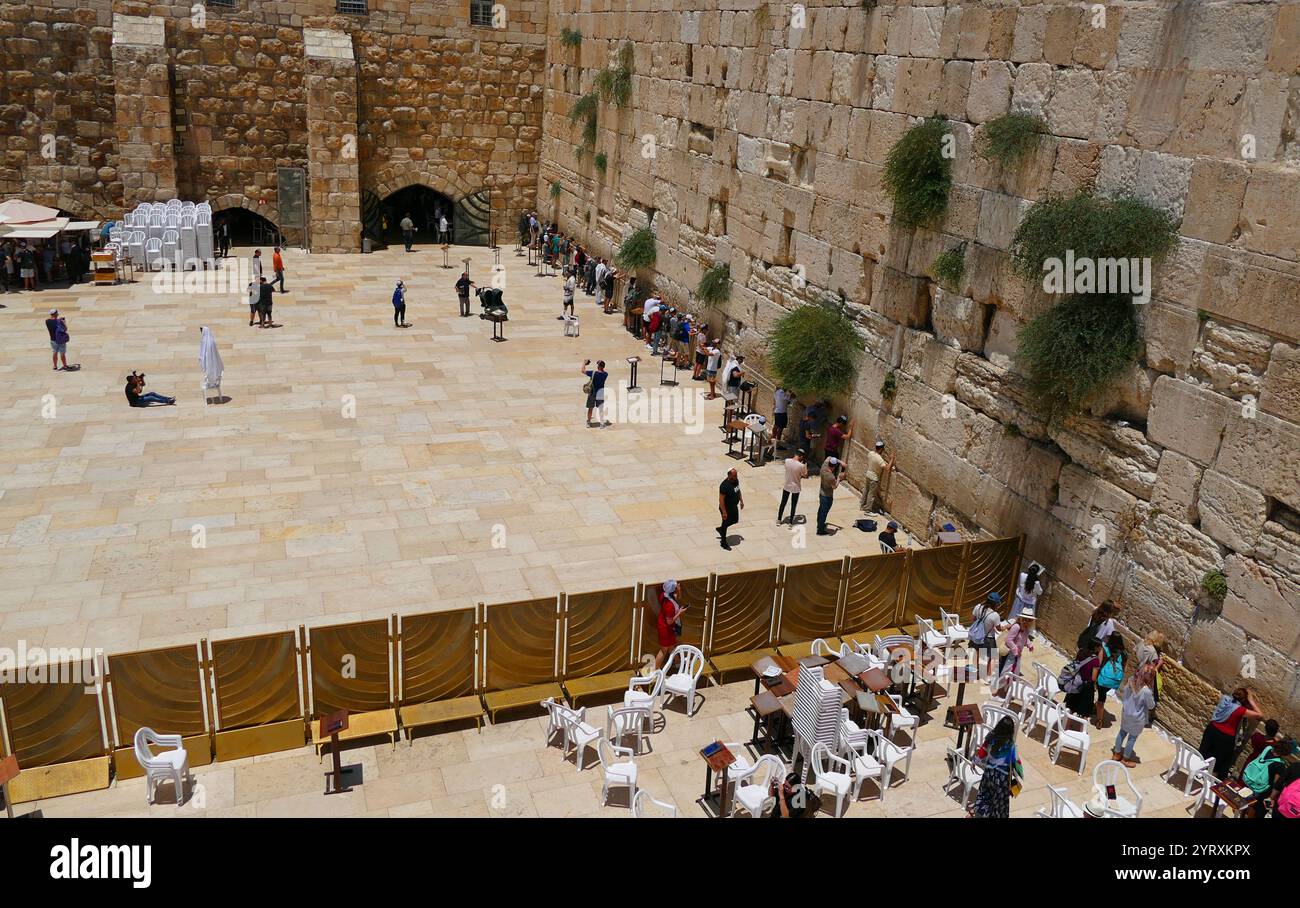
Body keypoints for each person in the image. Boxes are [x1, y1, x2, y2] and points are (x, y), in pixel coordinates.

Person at [1199, 687, 1263, 777]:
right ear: (1244, 700)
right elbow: (1260, 715)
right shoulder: (1241, 710)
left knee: (1205, 752)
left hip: (1211, 729)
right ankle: (1210, 777)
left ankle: (1199, 770)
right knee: (1219, 761)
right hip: (1225, 738)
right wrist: (1251, 700)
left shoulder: (1225, 700)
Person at [970, 716, 1022, 818]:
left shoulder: (991, 737)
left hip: (989, 774)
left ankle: (978, 813)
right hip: (1002, 779)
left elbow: (983, 751)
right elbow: (1017, 764)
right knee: (999, 803)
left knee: (985, 794)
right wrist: (1019, 775)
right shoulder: (1011, 745)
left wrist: (975, 761)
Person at [1112, 665, 1157, 767]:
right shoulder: (1146, 691)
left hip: (1126, 712)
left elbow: (1125, 694)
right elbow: (1151, 706)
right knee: (1132, 738)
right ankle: (1125, 759)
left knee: (1122, 733)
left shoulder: (1130, 680)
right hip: (1137, 718)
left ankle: (1116, 754)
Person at [1243, 737, 1296, 818]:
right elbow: (1276, 783)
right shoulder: (1280, 765)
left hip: (1251, 781)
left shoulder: (1267, 748)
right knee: (1259, 812)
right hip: (1263, 792)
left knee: (1246, 807)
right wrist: (1271, 798)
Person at [1062, 639, 1102, 721]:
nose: (1101, 648)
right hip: (1086, 687)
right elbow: (1093, 678)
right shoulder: (1095, 660)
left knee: (1071, 707)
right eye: (1099, 646)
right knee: (1084, 712)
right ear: (1095, 647)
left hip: (1076, 682)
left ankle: (1066, 726)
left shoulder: (1081, 652)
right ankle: (1080, 731)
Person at [996, 608, 1036, 690]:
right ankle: (998, 688)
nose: (1026, 621)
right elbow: (1008, 640)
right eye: (1025, 619)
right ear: (1021, 618)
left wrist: (1029, 645)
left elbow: (1025, 638)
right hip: (1010, 653)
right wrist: (1015, 649)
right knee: (1005, 671)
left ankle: (1006, 687)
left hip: (1017, 654)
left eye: (1029, 620)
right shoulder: (1016, 627)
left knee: (1012, 671)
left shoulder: (1026, 629)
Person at [968, 591, 1002, 680]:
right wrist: (1008, 626)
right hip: (988, 638)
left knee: (977, 654)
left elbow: (973, 619)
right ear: (996, 604)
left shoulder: (978, 607)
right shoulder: (995, 615)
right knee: (993, 657)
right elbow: (999, 628)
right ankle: (988, 677)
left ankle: (975, 671)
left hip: (976, 636)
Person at [1095, 633, 1125, 728]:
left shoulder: (1104, 650)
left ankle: (1099, 720)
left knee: (1101, 699)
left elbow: (1098, 664)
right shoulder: (1124, 654)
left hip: (1103, 678)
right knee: (1102, 696)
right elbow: (1124, 669)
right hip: (1114, 680)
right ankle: (1097, 707)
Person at [654, 579, 686, 670]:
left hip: (665, 626)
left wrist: (679, 590)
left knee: (672, 646)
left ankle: (678, 664)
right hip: (665, 628)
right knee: (664, 650)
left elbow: (677, 597)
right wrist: (680, 612)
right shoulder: (669, 605)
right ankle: (655, 671)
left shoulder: (664, 595)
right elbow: (670, 621)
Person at [860, 439, 894, 512]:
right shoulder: (879, 459)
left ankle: (862, 505)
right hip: (874, 478)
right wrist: (892, 459)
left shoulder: (870, 453)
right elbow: (887, 468)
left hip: (868, 475)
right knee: (871, 494)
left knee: (866, 491)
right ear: (881, 449)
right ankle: (868, 509)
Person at [778, 450, 807, 526]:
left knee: (783, 503)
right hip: (796, 487)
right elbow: (805, 475)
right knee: (793, 505)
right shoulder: (801, 466)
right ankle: (790, 523)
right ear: (801, 456)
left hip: (787, 485)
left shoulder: (787, 461)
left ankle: (779, 519)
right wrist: (805, 466)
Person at [717, 467, 743, 550]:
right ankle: (723, 543)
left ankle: (721, 529)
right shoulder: (724, 486)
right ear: (729, 476)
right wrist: (724, 512)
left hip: (733, 506)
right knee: (725, 524)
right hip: (726, 508)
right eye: (735, 476)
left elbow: (738, 490)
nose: (736, 477)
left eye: (736, 475)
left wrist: (741, 501)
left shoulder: (736, 481)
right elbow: (721, 500)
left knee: (735, 520)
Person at [816, 457, 841, 536]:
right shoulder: (831, 477)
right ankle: (820, 530)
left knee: (820, 510)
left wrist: (838, 461)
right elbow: (834, 487)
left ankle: (819, 524)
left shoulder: (823, 467)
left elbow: (828, 457)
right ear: (834, 466)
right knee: (824, 513)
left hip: (821, 493)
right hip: (827, 496)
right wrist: (839, 479)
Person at [581, 358, 608, 427]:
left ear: (598, 366)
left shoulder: (594, 373)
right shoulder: (605, 374)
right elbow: (602, 371)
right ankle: (601, 423)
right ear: (603, 367)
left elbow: (582, 371)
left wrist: (584, 363)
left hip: (592, 393)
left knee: (590, 408)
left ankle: (589, 422)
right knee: (600, 409)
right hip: (600, 393)